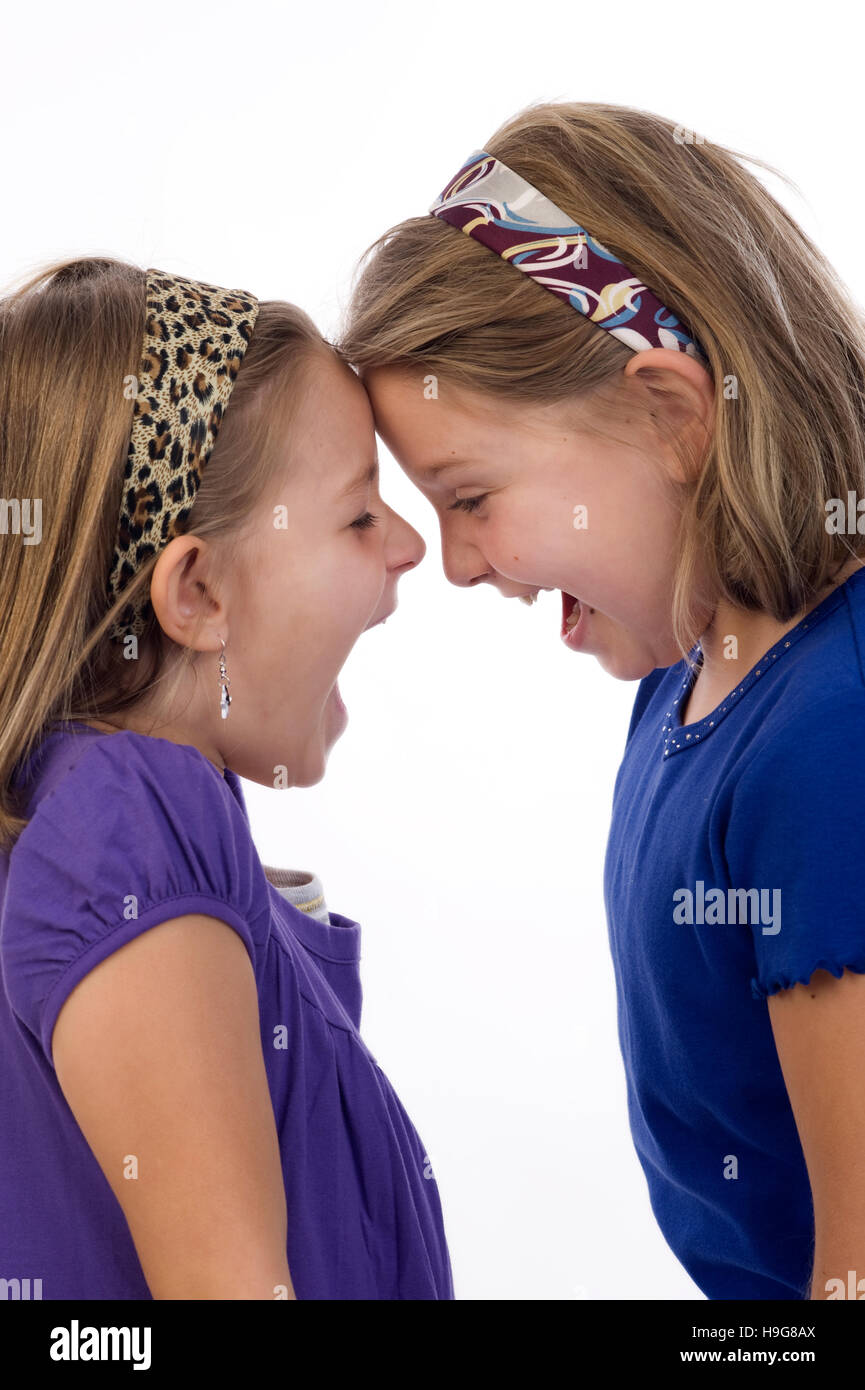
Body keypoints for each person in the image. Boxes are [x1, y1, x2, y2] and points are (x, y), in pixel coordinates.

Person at [336, 100, 865, 1300]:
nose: (457, 563)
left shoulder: (828, 744)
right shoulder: (689, 682)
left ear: (669, 417)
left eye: (467, 495)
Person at [0, 257, 454, 1300]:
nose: (411, 544)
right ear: (196, 590)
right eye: (356, 516)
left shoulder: (97, 818)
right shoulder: (131, 815)